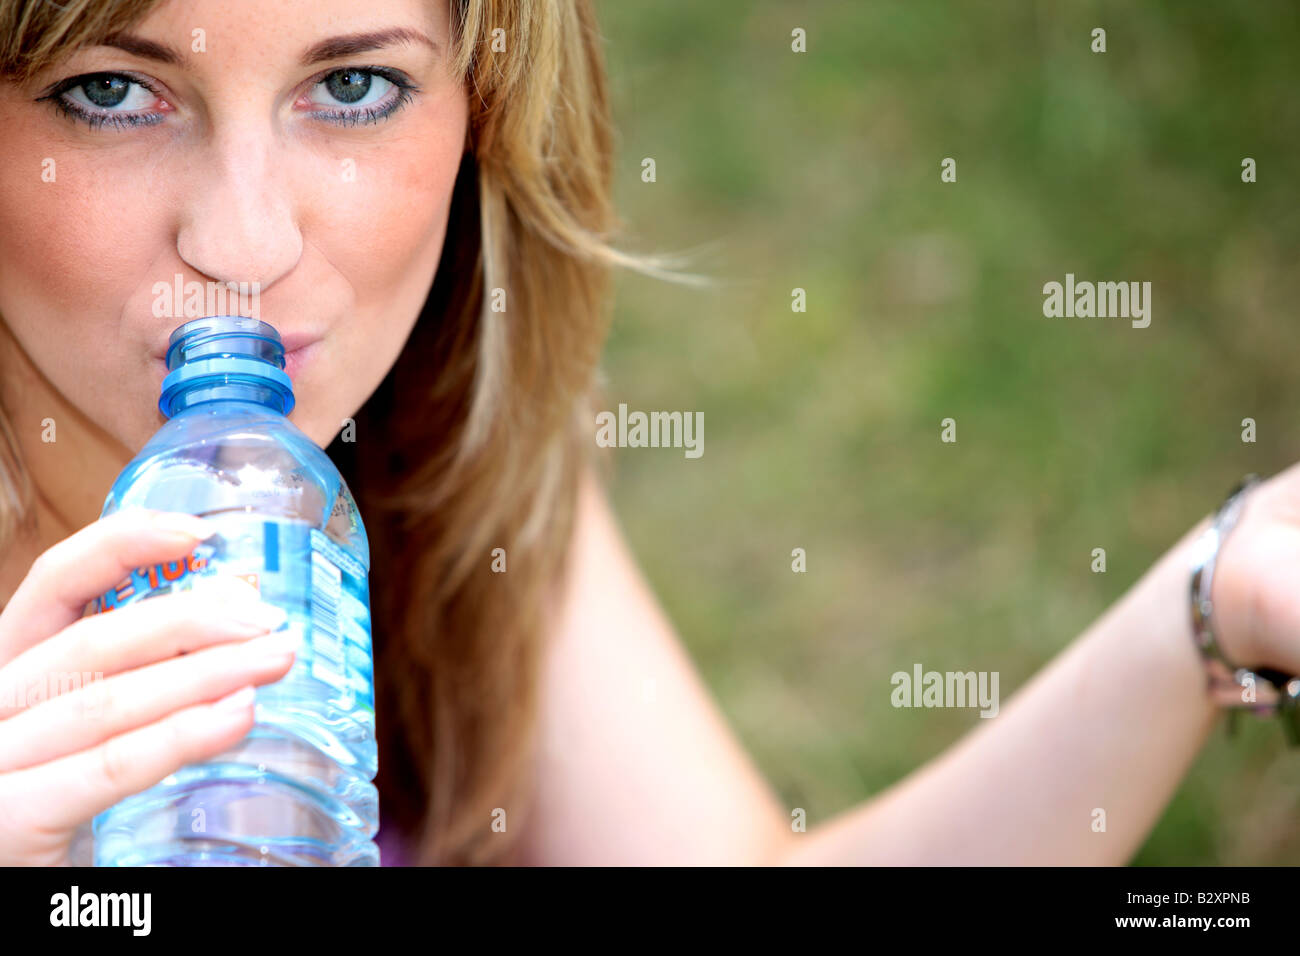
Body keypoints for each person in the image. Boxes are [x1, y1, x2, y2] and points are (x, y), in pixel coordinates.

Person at [2, 0, 1298, 867]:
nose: (245, 245)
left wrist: (1210, 599)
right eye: (112, 90)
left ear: (482, 112)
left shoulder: (431, 456)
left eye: (354, 86)